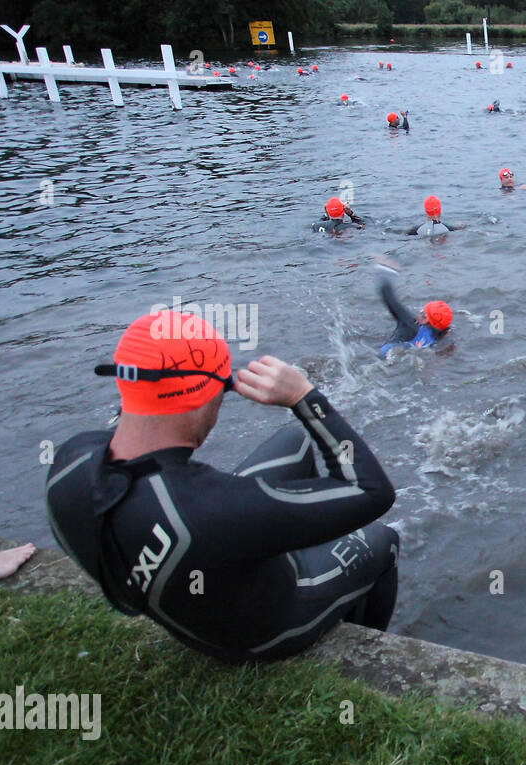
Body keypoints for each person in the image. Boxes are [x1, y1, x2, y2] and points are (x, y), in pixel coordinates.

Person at [44, 311, 400, 663]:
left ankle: (303, 525)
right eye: (223, 389)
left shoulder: (71, 461)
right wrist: (304, 397)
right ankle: (362, 657)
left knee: (295, 440)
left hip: (194, 574)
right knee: (384, 539)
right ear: (204, 398)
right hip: (259, 629)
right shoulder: (209, 509)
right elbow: (372, 491)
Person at [376, 263, 452, 359]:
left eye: (423, 312)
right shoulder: (439, 333)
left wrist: (385, 270)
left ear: (426, 319)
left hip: (386, 356)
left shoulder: (409, 324)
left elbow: (390, 298)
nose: (420, 312)